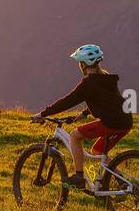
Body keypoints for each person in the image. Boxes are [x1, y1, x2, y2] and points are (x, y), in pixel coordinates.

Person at [33, 44, 132, 191]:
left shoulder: (88, 83)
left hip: (112, 122)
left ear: (84, 64)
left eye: (80, 62)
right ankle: (122, 180)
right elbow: (107, 101)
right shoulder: (105, 77)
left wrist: (43, 114)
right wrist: (84, 113)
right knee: (98, 152)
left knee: (74, 136)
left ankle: (79, 177)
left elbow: (67, 101)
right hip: (125, 121)